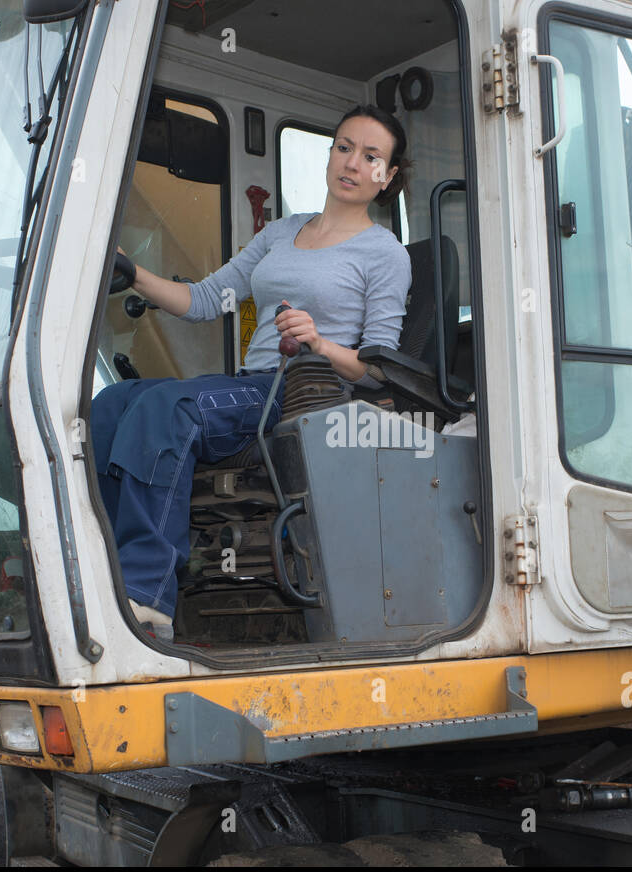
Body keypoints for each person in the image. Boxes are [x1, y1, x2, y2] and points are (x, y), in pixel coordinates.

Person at [92, 104, 413, 640]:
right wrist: (132, 274)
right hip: (250, 384)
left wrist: (317, 342)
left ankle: (145, 599)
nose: (353, 162)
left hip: (304, 393)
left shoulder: (385, 253)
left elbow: (379, 371)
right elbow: (202, 300)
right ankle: (102, 572)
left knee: (169, 409)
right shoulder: (281, 233)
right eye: (343, 147)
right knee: (110, 406)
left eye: (371, 156)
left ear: (388, 176)